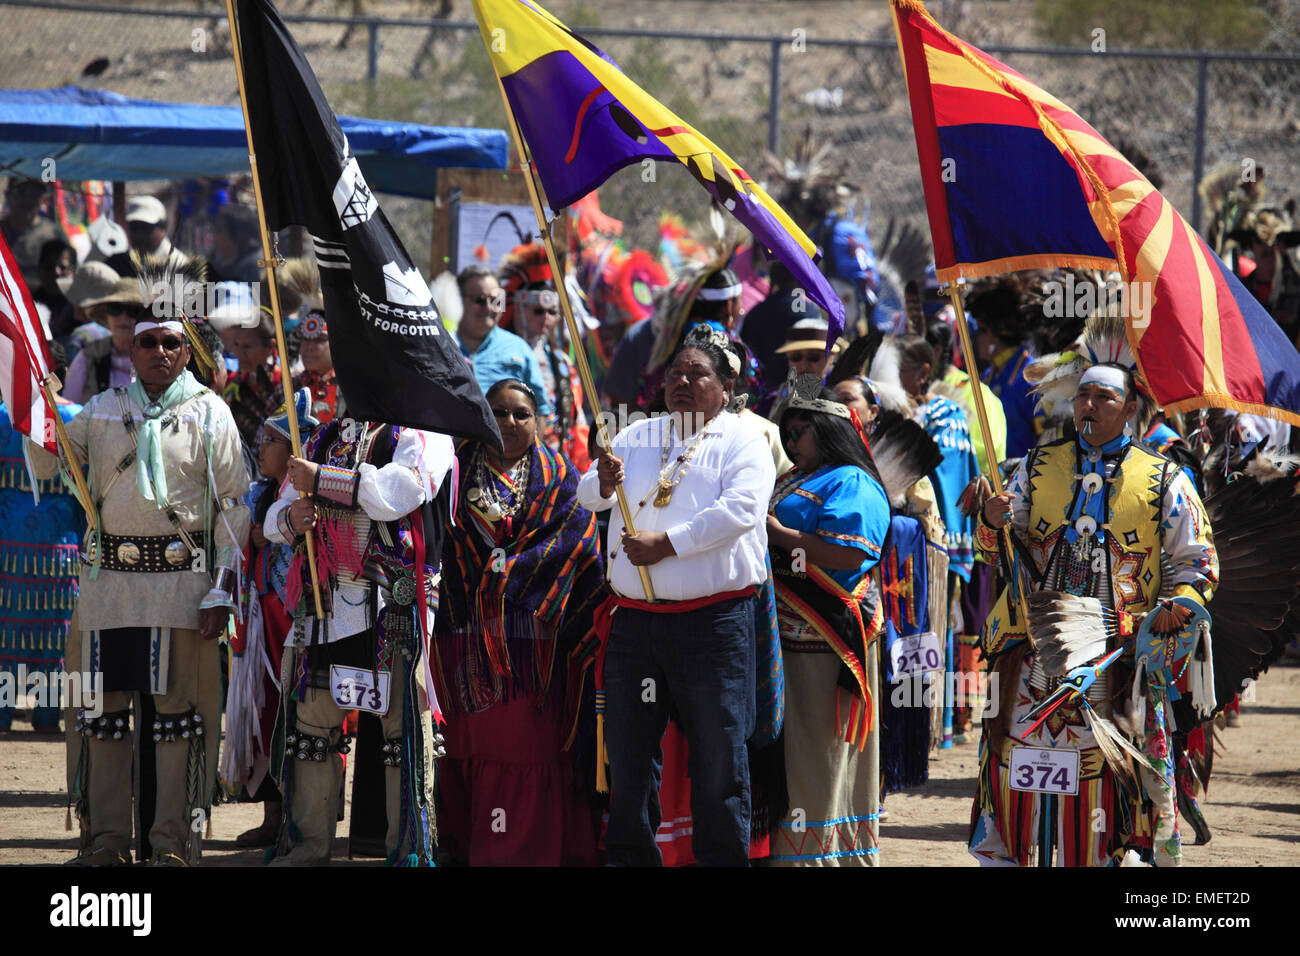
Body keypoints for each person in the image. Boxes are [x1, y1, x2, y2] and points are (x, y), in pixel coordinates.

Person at [970, 362, 1218, 867]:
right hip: (1032, 649)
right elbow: (993, 550)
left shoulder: (1163, 479)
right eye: (1083, 395)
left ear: (1131, 409)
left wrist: (1178, 605)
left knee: (1107, 773)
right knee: (1012, 760)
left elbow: (1200, 562)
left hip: (1115, 655)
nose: (1089, 405)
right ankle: (1012, 852)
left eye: (1104, 397)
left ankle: (1103, 856)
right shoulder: (1037, 466)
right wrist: (991, 522)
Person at [28, 307, 250, 866]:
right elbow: (50, 464)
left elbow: (233, 507)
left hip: (181, 587)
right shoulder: (102, 409)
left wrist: (222, 587)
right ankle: (104, 842)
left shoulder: (210, 412)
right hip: (108, 588)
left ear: (187, 351)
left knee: (178, 722)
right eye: (148, 342)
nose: (159, 352)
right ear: (131, 351)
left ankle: (171, 844)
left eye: (170, 343)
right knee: (100, 717)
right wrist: (38, 407)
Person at [578, 328, 776, 866]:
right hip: (635, 624)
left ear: (727, 385)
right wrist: (603, 480)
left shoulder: (744, 439)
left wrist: (666, 544)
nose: (683, 382)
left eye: (697, 373)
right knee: (630, 753)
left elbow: (741, 512)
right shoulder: (638, 433)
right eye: (675, 373)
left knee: (718, 755)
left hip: (712, 625)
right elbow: (588, 495)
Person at [264, 410, 456, 866]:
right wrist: (292, 515)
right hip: (326, 608)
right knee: (311, 730)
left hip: (393, 608)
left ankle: (407, 850)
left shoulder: (423, 434)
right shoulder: (321, 439)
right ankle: (309, 846)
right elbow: (275, 516)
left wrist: (321, 480)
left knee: (403, 736)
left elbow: (397, 494)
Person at [433, 378, 605, 865]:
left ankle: (516, 851)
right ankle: (463, 844)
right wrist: (483, 578)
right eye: (498, 412)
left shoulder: (560, 477)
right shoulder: (452, 469)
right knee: (462, 744)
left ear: (539, 420)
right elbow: (437, 537)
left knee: (523, 747)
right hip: (460, 633)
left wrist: (510, 573)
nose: (508, 422)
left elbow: (579, 544)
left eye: (520, 414)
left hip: (533, 643)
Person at [766, 376, 891, 865]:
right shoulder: (795, 477)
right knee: (790, 749)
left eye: (800, 432)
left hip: (825, 635)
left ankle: (823, 855)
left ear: (829, 431)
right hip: (782, 634)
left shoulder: (852, 481)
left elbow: (848, 553)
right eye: (788, 432)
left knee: (818, 749)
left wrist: (779, 535)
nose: (791, 442)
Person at [223, 391, 319, 847]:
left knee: (299, 713)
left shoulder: (308, 497)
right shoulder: (259, 493)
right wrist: (254, 535)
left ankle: (305, 820)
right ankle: (273, 816)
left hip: (295, 619)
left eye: (270, 441)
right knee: (265, 712)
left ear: (295, 450)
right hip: (261, 619)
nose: (260, 449)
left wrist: (269, 534)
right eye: (260, 440)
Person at [0, 344, 83, 734]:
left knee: (7, 627)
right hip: (62, 546)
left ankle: (3, 712)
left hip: (10, 544)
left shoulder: (4, 419)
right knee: (57, 630)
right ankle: (48, 715)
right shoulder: (77, 419)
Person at [454, 265, 551, 416]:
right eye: (480, 300)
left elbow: (541, 410)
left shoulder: (518, 348)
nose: (489, 308)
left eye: (495, 300)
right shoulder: (442, 345)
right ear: (458, 300)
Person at [62, 277, 145, 404]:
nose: (123, 317)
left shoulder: (156, 356)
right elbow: (70, 407)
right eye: (115, 309)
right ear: (106, 315)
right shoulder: (87, 357)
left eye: (133, 311)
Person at [757, 316, 840, 419]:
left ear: (831, 357)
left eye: (814, 357)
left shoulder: (844, 396)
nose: (804, 365)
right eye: (795, 357)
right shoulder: (770, 402)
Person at [225, 310, 284, 449]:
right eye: (236, 344)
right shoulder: (231, 382)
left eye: (247, 346)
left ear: (271, 346)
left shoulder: (284, 384)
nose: (239, 353)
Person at [1, 178, 68, 290]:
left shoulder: (54, 234)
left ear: (42, 199)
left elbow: (68, 273)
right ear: (7, 196)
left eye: (35, 194)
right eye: (21, 192)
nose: (28, 200)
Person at [293, 310, 344, 425]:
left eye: (320, 339)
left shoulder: (351, 388)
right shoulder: (291, 385)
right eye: (305, 338)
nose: (309, 347)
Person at [125, 195, 188, 268]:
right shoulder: (124, 261)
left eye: (145, 227)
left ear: (164, 226)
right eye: (134, 226)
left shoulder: (178, 265)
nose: (139, 235)